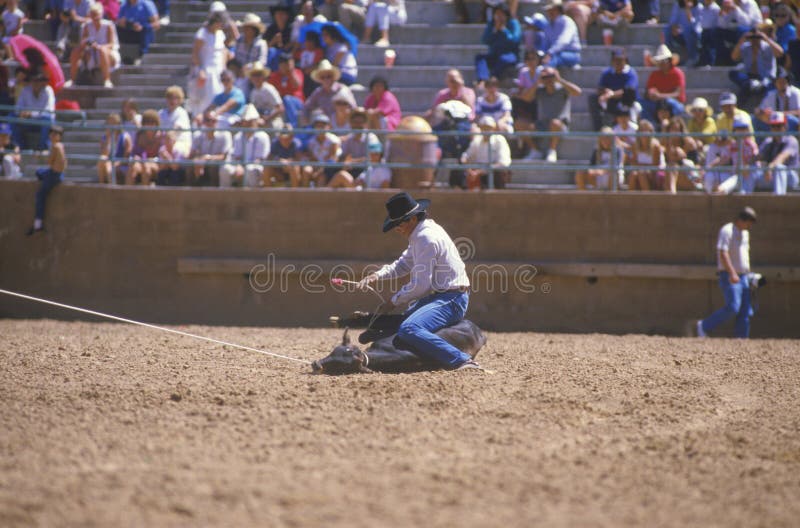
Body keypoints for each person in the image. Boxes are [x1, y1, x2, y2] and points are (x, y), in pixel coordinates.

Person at [357, 192, 480, 371]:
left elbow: (421, 285)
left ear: (412, 219)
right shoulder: (422, 233)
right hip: (446, 296)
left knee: (409, 328)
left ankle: (462, 360)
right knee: (406, 320)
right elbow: (403, 265)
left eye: (399, 223)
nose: (397, 228)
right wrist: (377, 275)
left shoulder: (425, 238)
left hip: (451, 299)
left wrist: (392, 301)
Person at [696, 206, 758, 339]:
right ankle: (704, 326)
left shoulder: (745, 233)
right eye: (748, 223)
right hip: (730, 275)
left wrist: (749, 274)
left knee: (745, 310)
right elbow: (723, 252)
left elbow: (744, 255)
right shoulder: (727, 230)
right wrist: (732, 273)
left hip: (744, 276)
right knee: (733, 307)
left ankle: (741, 339)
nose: (749, 226)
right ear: (742, 220)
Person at [530, 66, 582, 163]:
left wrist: (560, 80)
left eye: (551, 76)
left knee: (555, 123)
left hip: (560, 126)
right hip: (542, 125)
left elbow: (578, 92)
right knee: (521, 125)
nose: (548, 80)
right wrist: (537, 82)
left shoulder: (563, 89)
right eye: (545, 77)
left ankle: (552, 151)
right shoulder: (539, 90)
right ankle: (535, 150)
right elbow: (526, 97)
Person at [65, 3, 119, 88]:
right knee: (76, 51)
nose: (95, 18)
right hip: (91, 52)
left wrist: (99, 47)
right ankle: (72, 80)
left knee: (102, 51)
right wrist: (87, 44)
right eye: (93, 15)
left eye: (97, 15)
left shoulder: (108, 25)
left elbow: (112, 44)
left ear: (101, 15)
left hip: (108, 53)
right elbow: (82, 43)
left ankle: (107, 80)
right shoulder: (86, 26)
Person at [27, 126, 66, 236]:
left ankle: (38, 223)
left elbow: (50, 162)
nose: (53, 136)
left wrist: (41, 156)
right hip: (57, 174)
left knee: (40, 195)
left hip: (54, 175)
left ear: (59, 136)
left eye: (55, 134)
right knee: (39, 172)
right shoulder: (60, 146)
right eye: (52, 134)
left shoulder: (55, 147)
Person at [188, 12, 228, 118]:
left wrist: (224, 68)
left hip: (218, 71)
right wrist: (200, 70)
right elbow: (195, 53)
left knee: (217, 95)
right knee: (204, 98)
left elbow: (223, 51)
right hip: (205, 70)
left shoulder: (220, 34)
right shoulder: (202, 33)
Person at [589, 47, 640, 131]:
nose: (618, 63)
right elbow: (600, 88)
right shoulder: (607, 72)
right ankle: (599, 130)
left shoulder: (631, 73)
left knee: (628, 97)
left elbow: (629, 90)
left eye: (620, 60)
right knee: (593, 98)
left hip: (626, 102)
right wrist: (606, 91)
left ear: (625, 60)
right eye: (616, 60)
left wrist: (611, 94)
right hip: (611, 101)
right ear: (612, 61)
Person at [750, 111, 800, 194]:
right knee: (750, 169)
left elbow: (781, 158)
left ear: (785, 127)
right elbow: (758, 157)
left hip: (790, 177)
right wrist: (746, 166)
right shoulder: (768, 141)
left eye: (779, 126)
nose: (776, 129)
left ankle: (778, 200)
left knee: (779, 168)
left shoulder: (791, 140)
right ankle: (744, 198)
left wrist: (770, 167)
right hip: (771, 176)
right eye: (773, 126)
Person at [458, 115, 512, 190]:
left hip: (492, 172)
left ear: (493, 128)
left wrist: (482, 171)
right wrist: (469, 170)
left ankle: (497, 196)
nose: (486, 130)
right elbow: (466, 156)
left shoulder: (499, 140)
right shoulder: (477, 140)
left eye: (488, 128)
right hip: (478, 172)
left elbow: (503, 163)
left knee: (500, 173)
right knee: (459, 169)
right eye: (484, 128)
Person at [729, 28, 782, 103]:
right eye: (752, 38)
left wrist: (765, 38)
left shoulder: (768, 47)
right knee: (733, 74)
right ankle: (751, 85)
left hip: (766, 77)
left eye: (757, 37)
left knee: (767, 87)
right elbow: (734, 57)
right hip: (749, 77)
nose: (754, 40)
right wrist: (742, 39)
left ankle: (756, 89)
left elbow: (780, 53)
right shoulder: (746, 47)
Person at [475, 3, 521, 85]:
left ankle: (492, 77)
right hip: (494, 54)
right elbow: (485, 40)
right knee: (480, 58)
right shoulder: (491, 25)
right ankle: (482, 79)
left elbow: (515, 40)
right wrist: (494, 31)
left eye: (501, 14)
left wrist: (504, 30)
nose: (499, 17)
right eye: (497, 14)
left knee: (504, 59)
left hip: (509, 55)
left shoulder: (513, 23)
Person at [641, 44, 686, 123]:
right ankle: (652, 127)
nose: (662, 63)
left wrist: (660, 96)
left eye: (664, 60)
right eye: (660, 61)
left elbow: (677, 94)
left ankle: (673, 126)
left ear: (669, 61)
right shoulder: (654, 74)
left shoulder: (678, 73)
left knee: (676, 106)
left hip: (673, 103)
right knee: (642, 104)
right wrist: (651, 94)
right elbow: (646, 94)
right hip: (657, 103)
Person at [302, 60, 356, 125]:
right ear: (320, 80)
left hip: (343, 126)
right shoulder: (318, 92)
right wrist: (306, 123)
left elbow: (353, 109)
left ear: (333, 77)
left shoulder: (342, 89)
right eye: (323, 77)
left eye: (328, 76)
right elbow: (306, 107)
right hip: (325, 128)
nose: (326, 79)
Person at [189, 109, 232, 186]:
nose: (211, 123)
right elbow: (192, 154)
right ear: (204, 122)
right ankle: (189, 192)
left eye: (213, 120)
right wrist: (198, 160)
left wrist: (207, 158)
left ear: (217, 121)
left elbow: (223, 156)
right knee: (189, 165)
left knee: (213, 166)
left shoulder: (225, 135)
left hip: (218, 163)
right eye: (208, 120)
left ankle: (213, 194)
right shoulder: (198, 135)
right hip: (201, 163)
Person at [13, 72, 55, 151]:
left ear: (43, 82)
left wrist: (31, 114)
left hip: (42, 122)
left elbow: (49, 111)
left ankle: (43, 148)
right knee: (12, 118)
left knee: (47, 120)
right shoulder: (25, 90)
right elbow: (18, 108)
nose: (36, 83)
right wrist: (21, 113)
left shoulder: (48, 91)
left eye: (39, 80)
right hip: (28, 121)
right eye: (33, 80)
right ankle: (20, 147)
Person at [753, 67, 800, 133]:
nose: (781, 84)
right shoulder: (771, 94)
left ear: (787, 81)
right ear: (775, 83)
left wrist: (780, 114)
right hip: (774, 124)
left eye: (783, 81)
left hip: (792, 124)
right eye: (778, 81)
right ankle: (760, 142)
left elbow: (798, 112)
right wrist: (764, 115)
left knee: (789, 118)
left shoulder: (796, 93)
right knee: (754, 119)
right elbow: (758, 110)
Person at [304, 112, 342, 186]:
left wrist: (321, 170)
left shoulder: (333, 140)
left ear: (328, 127)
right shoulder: (311, 141)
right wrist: (316, 169)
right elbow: (312, 158)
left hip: (329, 169)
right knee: (306, 171)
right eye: (318, 125)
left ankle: (320, 197)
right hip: (316, 167)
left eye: (323, 125)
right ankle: (303, 195)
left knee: (322, 176)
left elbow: (333, 158)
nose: (320, 128)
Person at [542, 0, 581, 69]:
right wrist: (542, 54)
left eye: (553, 10)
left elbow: (564, 41)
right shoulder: (548, 25)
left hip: (572, 54)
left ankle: (546, 76)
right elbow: (545, 43)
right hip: (554, 53)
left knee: (552, 59)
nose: (550, 12)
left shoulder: (567, 21)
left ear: (559, 10)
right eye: (548, 10)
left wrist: (550, 53)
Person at [127, 108, 162, 185]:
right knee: (132, 168)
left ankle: (145, 194)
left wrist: (149, 160)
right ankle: (127, 194)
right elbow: (135, 152)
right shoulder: (139, 135)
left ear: (156, 123)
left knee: (146, 168)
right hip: (141, 161)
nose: (150, 125)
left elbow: (161, 154)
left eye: (152, 122)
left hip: (156, 163)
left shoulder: (161, 136)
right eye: (147, 122)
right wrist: (136, 158)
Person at [627, 119, 664, 191]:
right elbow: (634, 163)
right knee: (633, 174)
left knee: (641, 174)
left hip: (654, 173)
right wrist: (642, 167)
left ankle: (647, 198)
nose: (644, 133)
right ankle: (630, 199)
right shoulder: (635, 146)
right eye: (642, 130)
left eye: (646, 130)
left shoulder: (655, 146)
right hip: (641, 171)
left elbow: (655, 165)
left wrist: (641, 166)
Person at [268, 53, 305, 126]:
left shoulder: (297, 72)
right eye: (284, 64)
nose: (286, 66)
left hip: (297, 103)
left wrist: (290, 72)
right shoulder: (274, 76)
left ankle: (294, 126)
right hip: (282, 105)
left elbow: (297, 85)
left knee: (287, 99)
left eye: (288, 63)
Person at [664, 0, 702, 67]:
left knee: (689, 32)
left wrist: (688, 11)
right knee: (667, 29)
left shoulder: (699, 7)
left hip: (694, 37)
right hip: (679, 35)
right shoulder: (677, 5)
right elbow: (673, 20)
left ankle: (692, 58)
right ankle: (667, 57)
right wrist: (674, 27)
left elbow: (696, 28)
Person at [247, 62, 284, 130]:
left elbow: (280, 108)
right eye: (254, 75)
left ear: (263, 76)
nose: (256, 78)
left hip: (273, 121)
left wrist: (267, 118)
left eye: (258, 75)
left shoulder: (269, 89)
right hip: (260, 122)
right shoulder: (253, 92)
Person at [96, 112, 131, 184]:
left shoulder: (125, 137)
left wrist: (114, 163)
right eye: (109, 123)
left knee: (109, 166)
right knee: (102, 159)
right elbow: (104, 154)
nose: (111, 126)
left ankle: (111, 188)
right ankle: (102, 185)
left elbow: (126, 158)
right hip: (108, 163)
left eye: (114, 123)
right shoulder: (104, 138)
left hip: (121, 165)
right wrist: (108, 139)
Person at [158, 85, 191, 157]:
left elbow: (176, 129)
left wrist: (168, 137)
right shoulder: (161, 113)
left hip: (180, 143)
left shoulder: (182, 112)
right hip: (163, 144)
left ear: (180, 100)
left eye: (175, 98)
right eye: (170, 97)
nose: (172, 100)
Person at [265, 4, 293, 71]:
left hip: (287, 54)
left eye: (283, 14)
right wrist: (274, 41)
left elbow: (293, 43)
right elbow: (266, 46)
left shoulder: (291, 29)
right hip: (273, 55)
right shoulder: (270, 29)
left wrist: (282, 45)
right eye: (278, 14)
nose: (280, 16)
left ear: (287, 16)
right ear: (274, 16)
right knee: (272, 51)